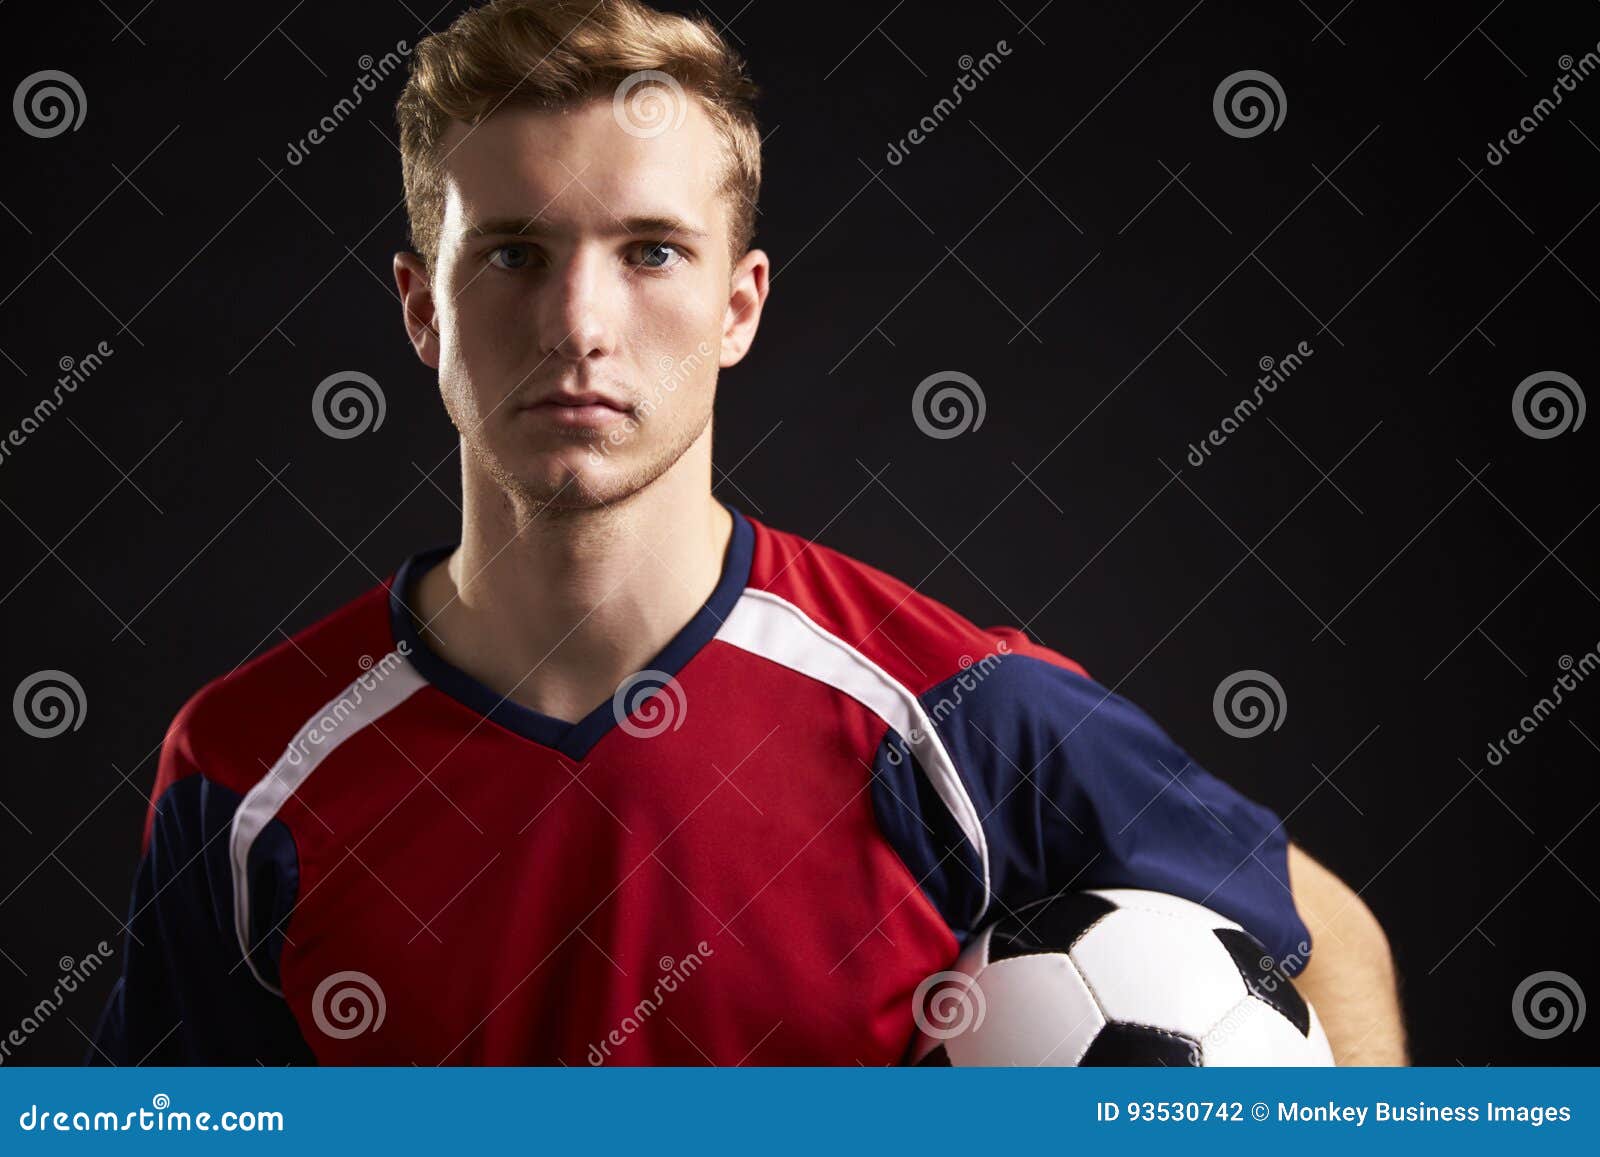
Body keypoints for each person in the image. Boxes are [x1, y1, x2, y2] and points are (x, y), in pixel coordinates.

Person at [91, 0, 1404, 1066]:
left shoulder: (954, 714)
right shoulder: (245, 768)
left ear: (739, 303)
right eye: (511, 255)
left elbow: (1324, 934)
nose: (579, 325)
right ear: (420, 310)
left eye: (652, 250)